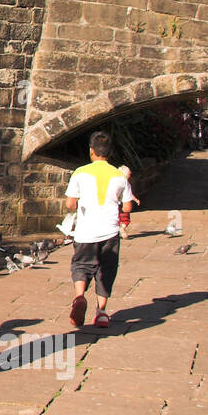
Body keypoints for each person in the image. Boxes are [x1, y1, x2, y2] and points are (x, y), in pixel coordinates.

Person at [64, 132, 132, 328]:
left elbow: (70, 204)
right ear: (110, 153)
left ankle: (79, 297)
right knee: (107, 268)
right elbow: (127, 207)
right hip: (110, 230)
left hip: (86, 230)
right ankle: (101, 312)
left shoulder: (80, 172)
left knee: (81, 265)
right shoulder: (119, 176)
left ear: (91, 152)